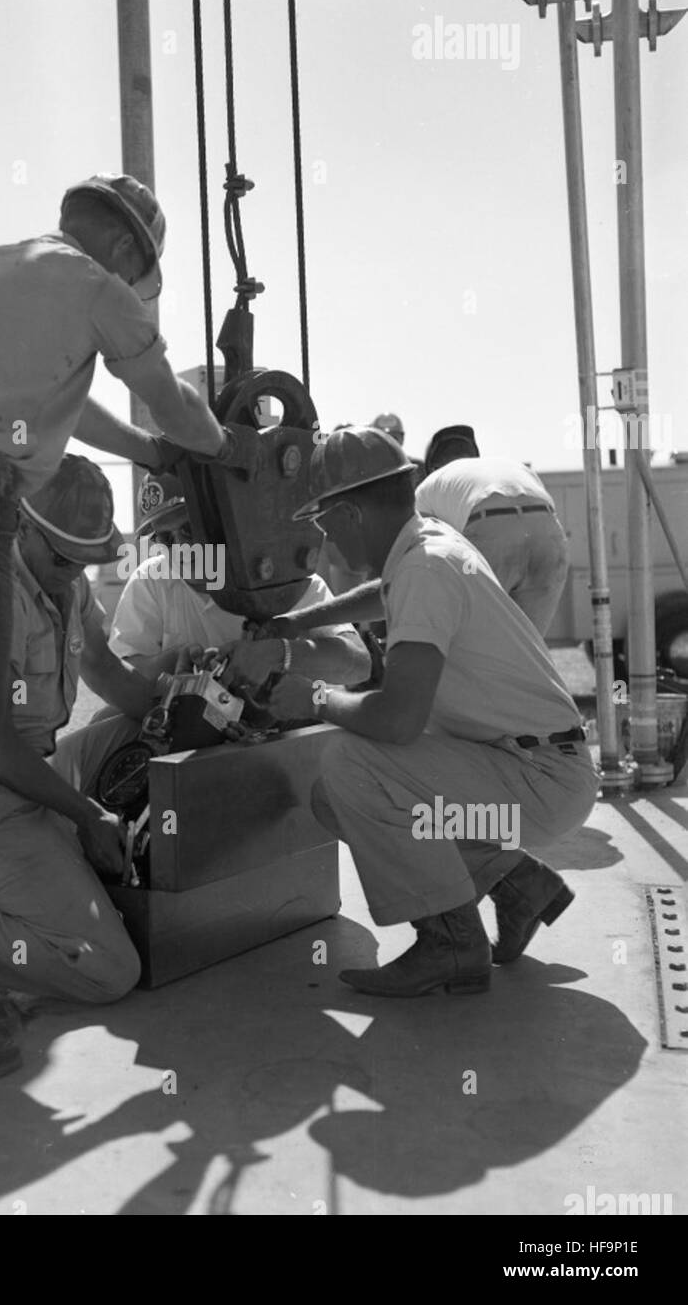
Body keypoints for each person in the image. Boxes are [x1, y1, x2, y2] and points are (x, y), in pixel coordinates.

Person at [0, 172, 257, 1096]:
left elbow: (62, 409)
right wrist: (233, 456)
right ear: (128, 255)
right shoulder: (98, 288)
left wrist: (148, 455)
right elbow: (179, 407)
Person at [256, 426, 598, 998]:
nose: (326, 540)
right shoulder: (430, 542)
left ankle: (451, 942)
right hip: (535, 767)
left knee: (351, 765)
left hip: (538, 781)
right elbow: (386, 594)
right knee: (332, 797)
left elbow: (397, 720)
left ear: (351, 513)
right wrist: (297, 622)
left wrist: (312, 696)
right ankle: (517, 886)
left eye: (323, 522)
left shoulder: (425, 568)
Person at [0, 456, 160, 1003]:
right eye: (64, 558)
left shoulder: (69, 586)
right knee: (109, 971)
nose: (73, 571)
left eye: (84, 560)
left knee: (137, 729)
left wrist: (183, 702)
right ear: (22, 528)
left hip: (33, 772)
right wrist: (86, 815)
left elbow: (107, 670)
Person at [266, 425, 571, 640]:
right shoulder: (495, 468)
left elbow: (399, 585)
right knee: (525, 654)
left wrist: (304, 621)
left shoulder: (426, 492)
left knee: (460, 657)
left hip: (489, 522)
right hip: (550, 534)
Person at [106, 471, 371, 690]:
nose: (180, 547)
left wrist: (278, 654)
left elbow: (358, 664)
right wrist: (174, 659)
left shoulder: (283, 578)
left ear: (219, 522)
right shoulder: (151, 579)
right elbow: (122, 671)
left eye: (188, 530)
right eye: (164, 538)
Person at [417, 425, 571, 636]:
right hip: (548, 537)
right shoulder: (509, 466)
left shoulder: (429, 484)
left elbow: (422, 558)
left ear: (431, 467)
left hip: (488, 536)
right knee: (530, 646)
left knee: (472, 637)